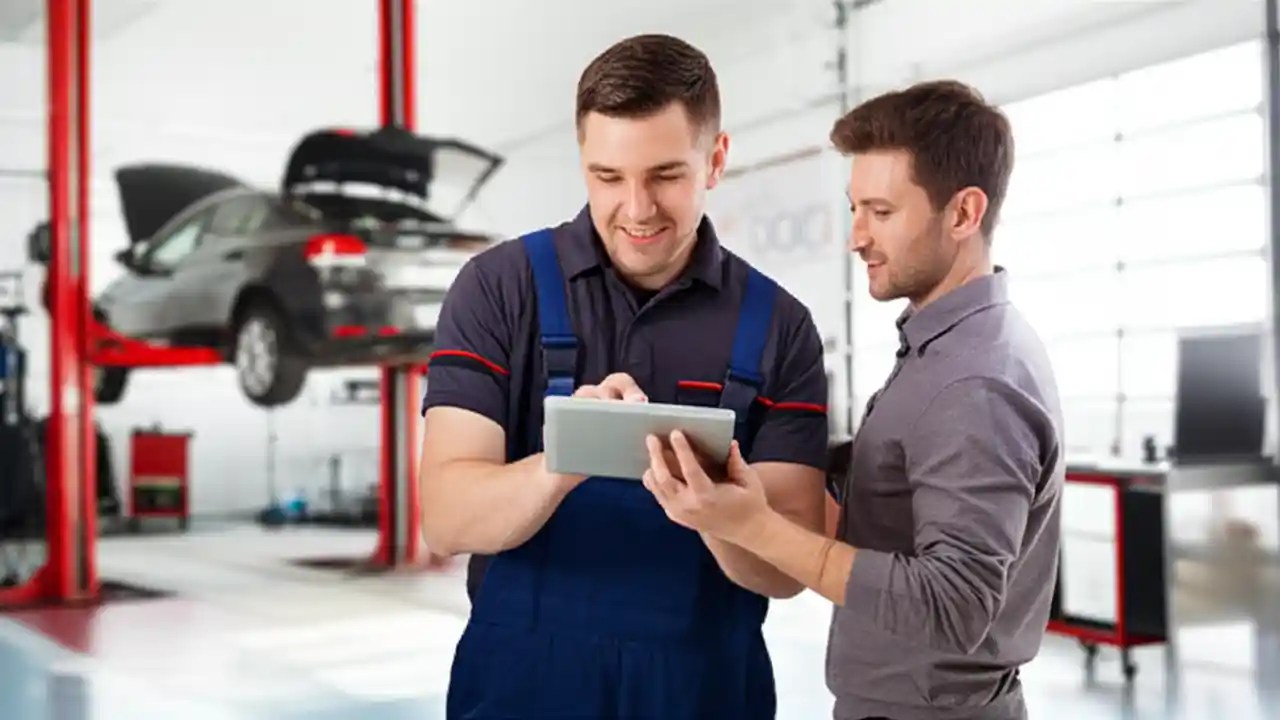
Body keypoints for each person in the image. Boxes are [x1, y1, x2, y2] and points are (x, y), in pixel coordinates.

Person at [417, 33, 831, 719]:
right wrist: (568, 456)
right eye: (608, 177)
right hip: (521, 690)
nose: (636, 209)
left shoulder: (780, 326)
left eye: (665, 175)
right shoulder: (498, 290)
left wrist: (727, 518)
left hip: (701, 692)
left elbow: (788, 570)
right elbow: (448, 518)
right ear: (582, 162)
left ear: (716, 160)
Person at [643, 79, 1064, 720]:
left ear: (963, 213)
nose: (857, 237)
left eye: (882, 212)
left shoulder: (974, 383)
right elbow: (903, 485)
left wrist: (750, 526)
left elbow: (952, 607)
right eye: (854, 209)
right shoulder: (945, 350)